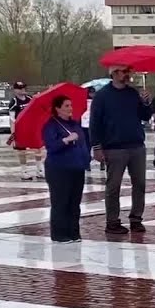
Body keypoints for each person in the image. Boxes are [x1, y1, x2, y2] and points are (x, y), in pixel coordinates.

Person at [89, 65, 153, 235]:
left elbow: (145, 116)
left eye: (129, 72)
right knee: (113, 186)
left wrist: (146, 102)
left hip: (136, 146)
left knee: (140, 184)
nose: (128, 75)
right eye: (125, 72)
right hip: (114, 148)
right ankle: (112, 222)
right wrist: (97, 147)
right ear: (114, 73)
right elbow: (94, 124)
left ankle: (136, 219)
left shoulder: (133, 94)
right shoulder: (102, 96)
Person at [42, 95, 89, 243]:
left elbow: (82, 142)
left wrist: (86, 157)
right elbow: (51, 146)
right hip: (58, 168)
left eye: (70, 105)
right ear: (58, 108)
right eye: (66, 106)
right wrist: (66, 140)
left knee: (75, 202)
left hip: (76, 168)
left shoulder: (75, 124)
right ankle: (59, 234)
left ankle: (74, 232)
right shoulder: (51, 125)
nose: (70, 108)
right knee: (60, 201)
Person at [7, 81, 43, 180]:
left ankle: (40, 170)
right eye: (20, 88)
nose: (23, 90)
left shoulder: (30, 99)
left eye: (24, 88)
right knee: (21, 151)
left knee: (38, 148)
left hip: (32, 127)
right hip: (20, 129)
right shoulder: (14, 102)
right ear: (15, 90)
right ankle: (24, 171)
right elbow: (12, 119)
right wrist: (13, 134)